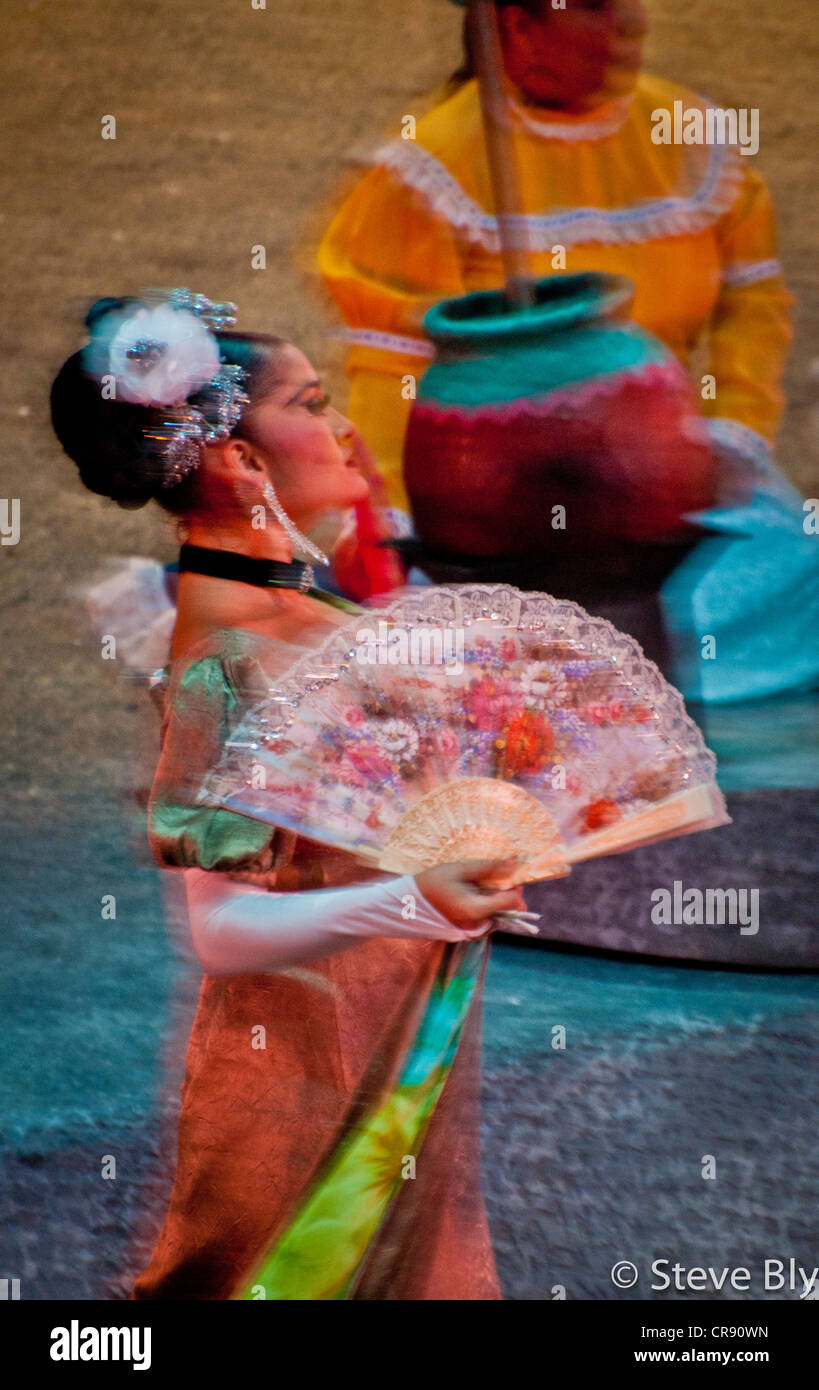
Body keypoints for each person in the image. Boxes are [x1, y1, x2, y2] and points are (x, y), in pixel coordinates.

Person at [51, 290, 526, 1299]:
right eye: (313, 403)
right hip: (306, 1070)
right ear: (236, 461)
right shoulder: (227, 653)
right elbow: (221, 929)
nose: (345, 426)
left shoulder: (282, 595)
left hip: (390, 1019)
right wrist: (417, 899)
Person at [317, 0, 819, 703]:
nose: (631, 21)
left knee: (789, 576)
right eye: (593, 6)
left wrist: (734, 428)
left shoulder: (687, 135)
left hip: (668, 469)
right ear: (518, 25)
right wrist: (394, 521)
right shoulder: (429, 168)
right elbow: (389, 361)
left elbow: (751, 299)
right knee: (497, 653)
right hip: (493, 501)